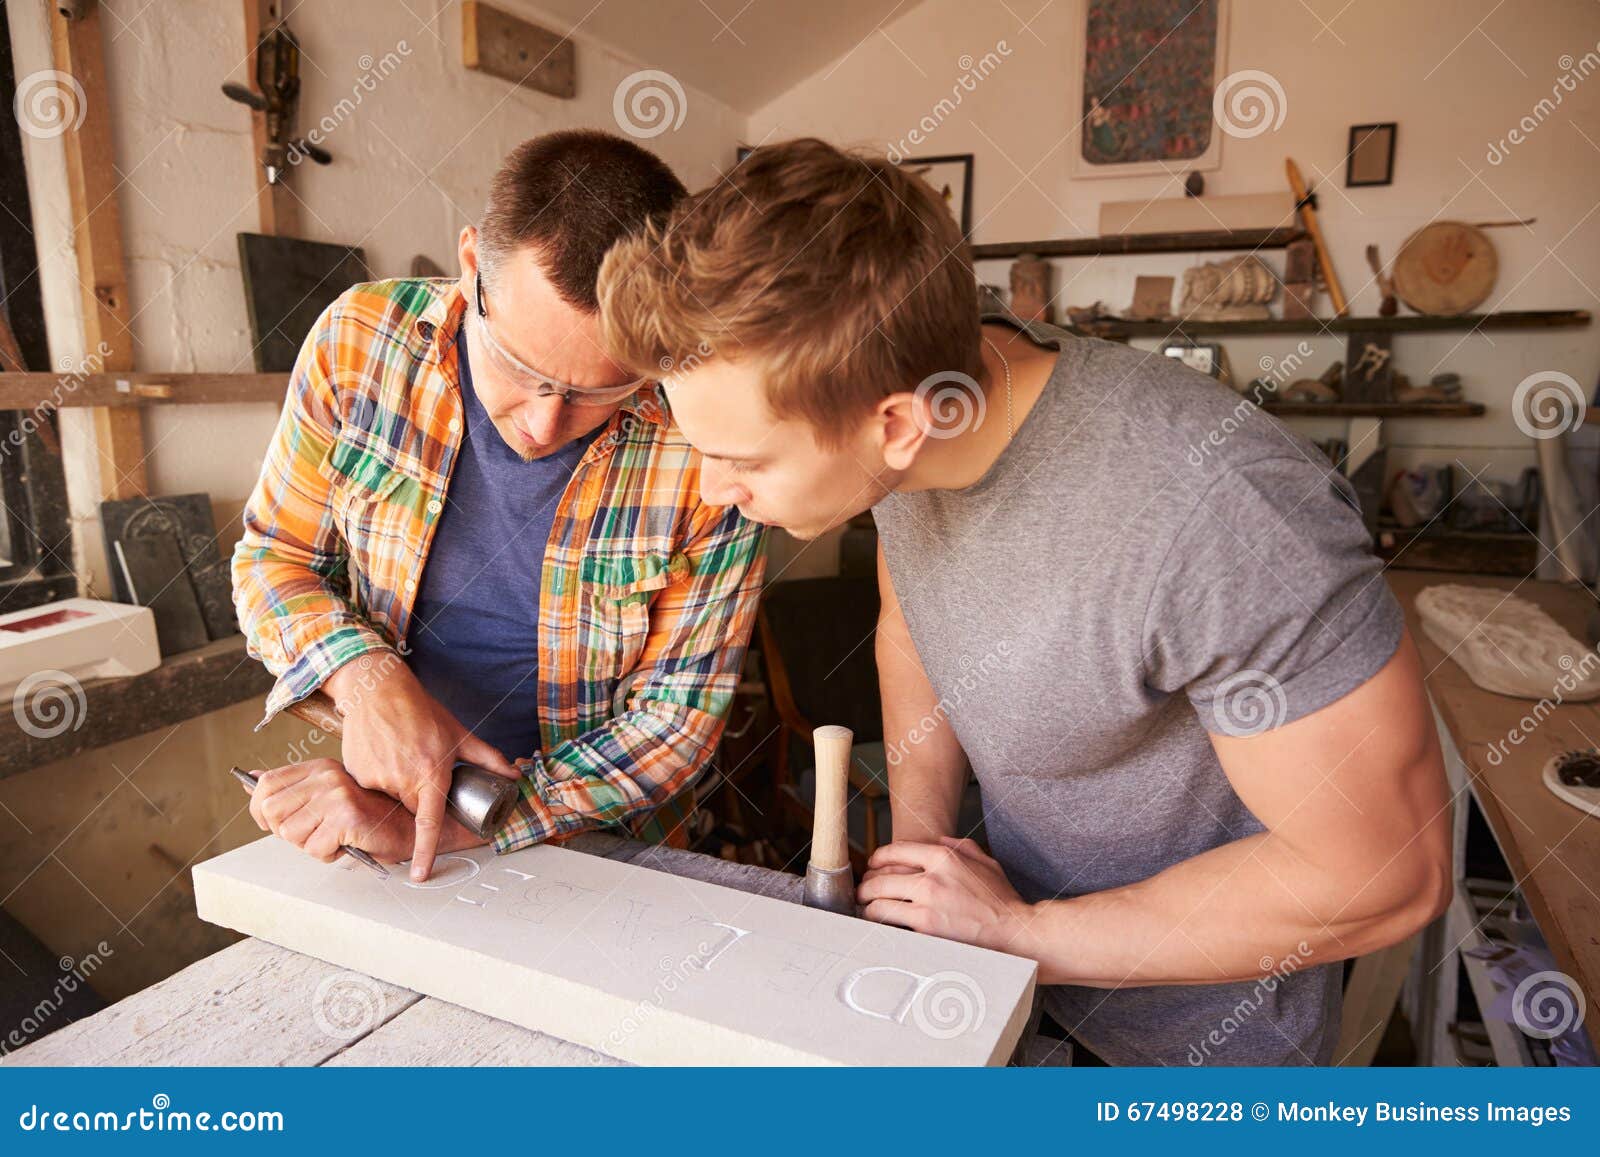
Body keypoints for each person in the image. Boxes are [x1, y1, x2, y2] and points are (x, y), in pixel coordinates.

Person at [595, 138, 1451, 1065]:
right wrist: (922, 859)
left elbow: (1386, 870)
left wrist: (1023, 936)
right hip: (996, 991)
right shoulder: (912, 398)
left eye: (743, 459)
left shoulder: (1221, 514)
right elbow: (915, 620)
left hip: (1186, 1051)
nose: (713, 489)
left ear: (895, 425)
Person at [232, 130, 765, 883]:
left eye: (596, 391)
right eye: (521, 366)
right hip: (387, 812)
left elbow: (674, 723)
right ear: (472, 264)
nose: (545, 423)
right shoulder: (358, 345)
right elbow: (273, 559)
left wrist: (473, 820)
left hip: (606, 851)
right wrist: (367, 678)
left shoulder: (705, 438)